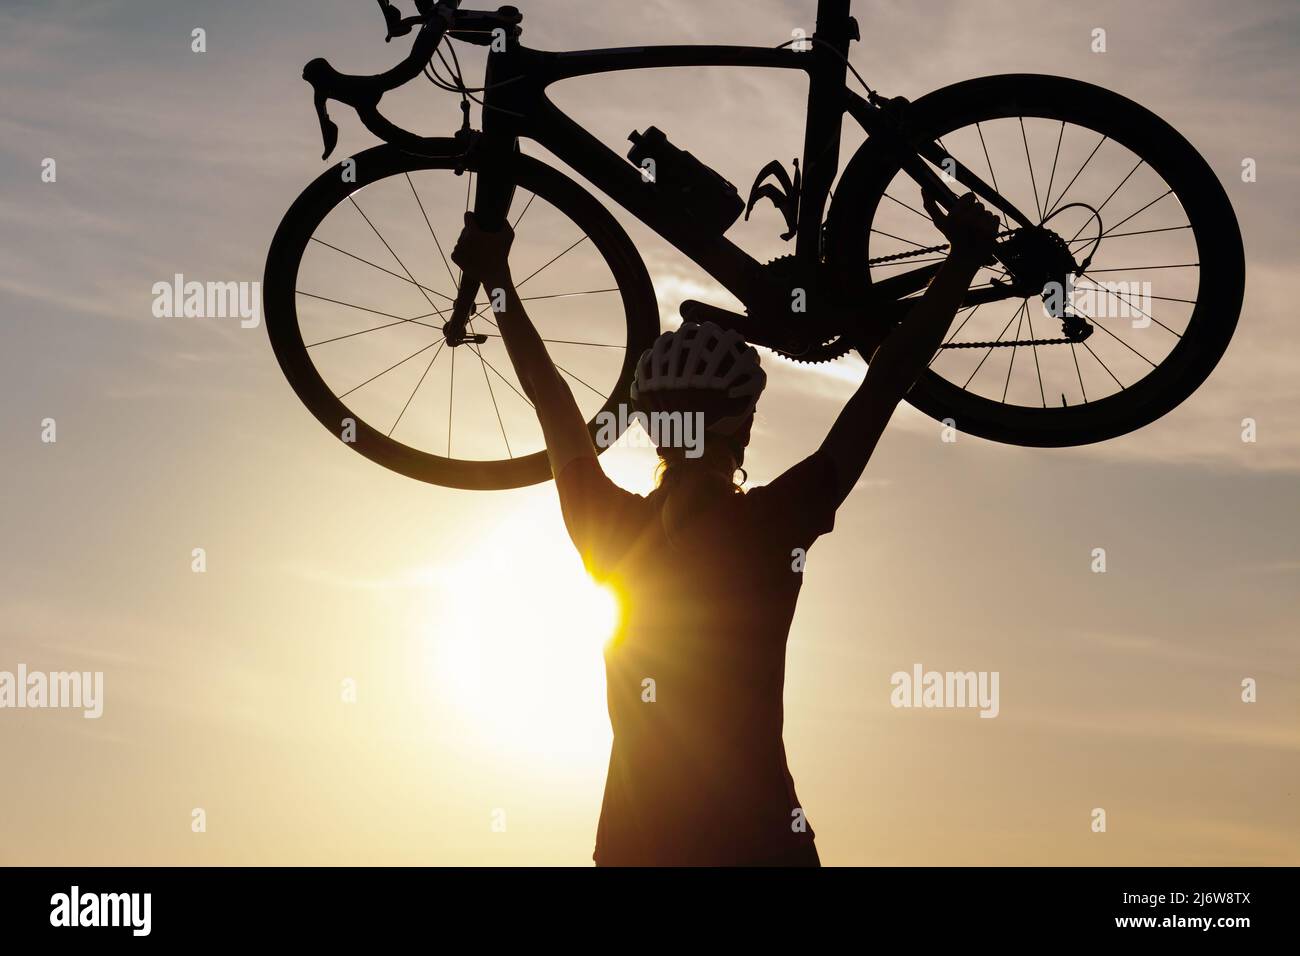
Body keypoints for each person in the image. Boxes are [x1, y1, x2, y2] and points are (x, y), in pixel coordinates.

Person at [451, 191, 1000, 866]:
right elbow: (884, 382)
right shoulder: (772, 524)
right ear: (741, 428)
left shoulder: (611, 530)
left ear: (653, 431)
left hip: (636, 845)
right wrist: (963, 261)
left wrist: (496, 277)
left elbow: (548, 393)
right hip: (763, 840)